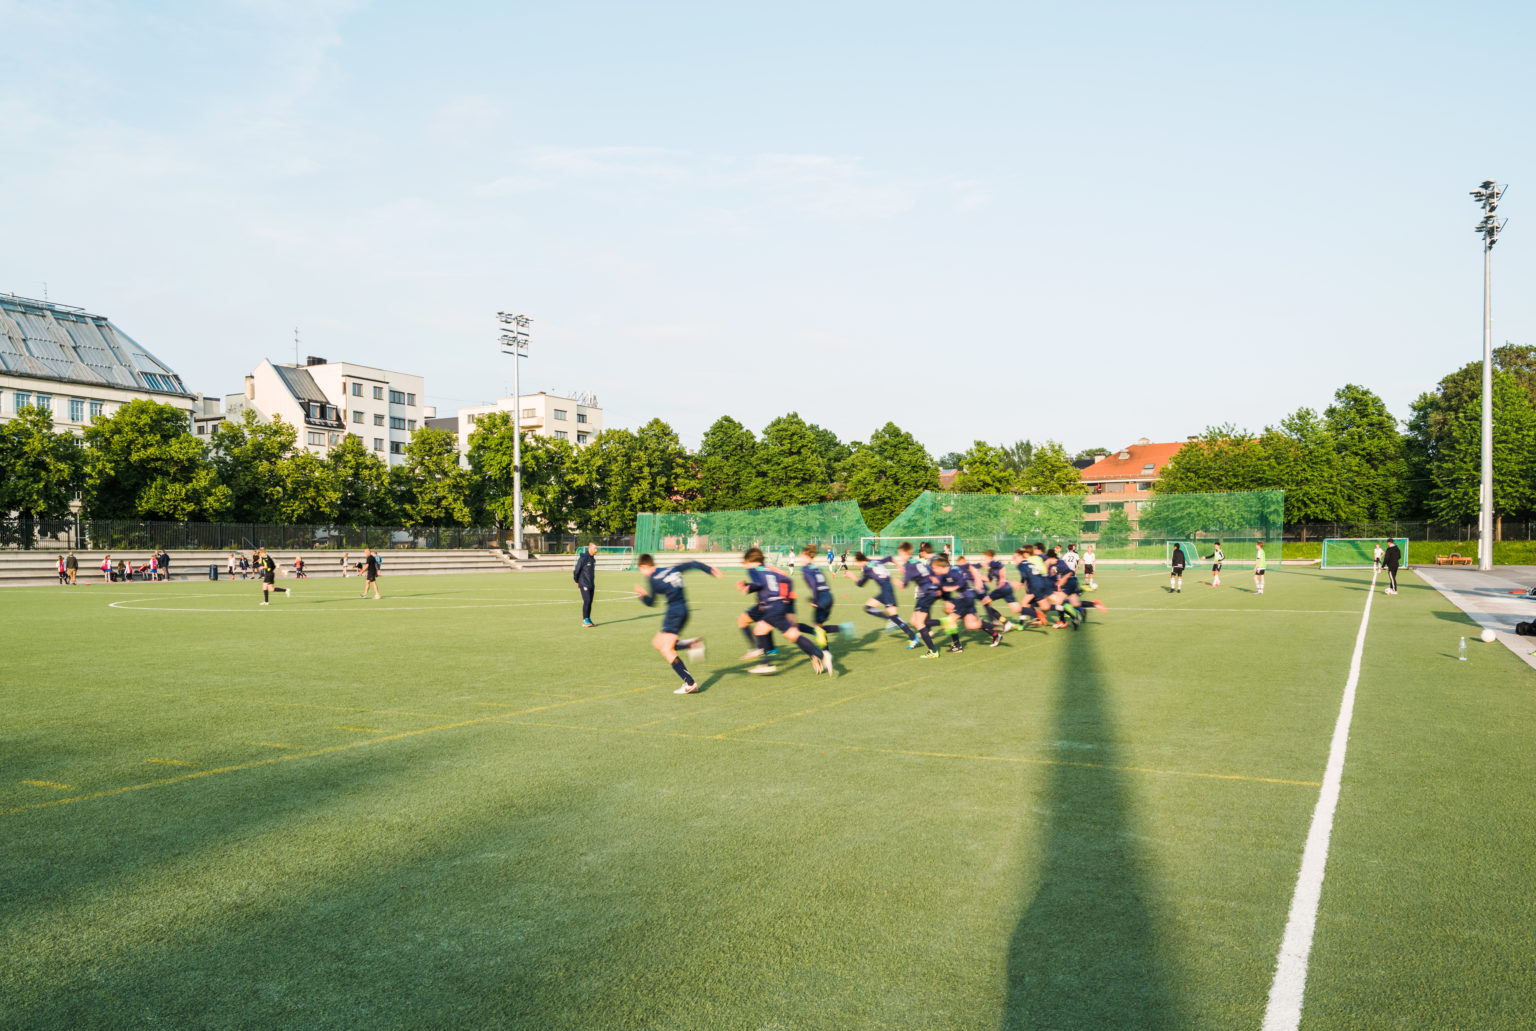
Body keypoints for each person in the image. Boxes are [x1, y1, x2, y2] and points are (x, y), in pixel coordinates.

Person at [634, 553, 720, 694]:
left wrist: (642, 595)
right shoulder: (671, 569)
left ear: (644, 566)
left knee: (667, 650)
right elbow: (692, 563)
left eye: (641, 569)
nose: (642, 572)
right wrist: (709, 569)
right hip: (684, 609)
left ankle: (690, 683)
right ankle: (691, 644)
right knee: (658, 643)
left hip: (674, 613)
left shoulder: (652, 578)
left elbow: (651, 602)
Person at [740, 547, 833, 676]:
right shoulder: (768, 569)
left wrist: (748, 588)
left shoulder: (754, 570)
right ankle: (766, 660)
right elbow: (787, 580)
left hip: (774, 605)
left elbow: (759, 584)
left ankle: (819, 654)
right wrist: (783, 597)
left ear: (750, 561)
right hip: (781, 603)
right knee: (764, 630)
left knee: (792, 633)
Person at [848, 552, 920, 646]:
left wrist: (852, 576)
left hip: (886, 589)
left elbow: (861, 584)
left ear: (859, 561)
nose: (856, 564)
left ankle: (913, 637)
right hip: (885, 589)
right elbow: (890, 557)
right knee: (868, 607)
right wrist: (899, 566)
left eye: (856, 562)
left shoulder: (866, 568)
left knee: (894, 616)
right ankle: (889, 619)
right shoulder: (875, 561)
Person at [798, 545, 856, 647]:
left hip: (821, 598)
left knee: (818, 629)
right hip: (828, 596)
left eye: (801, 554)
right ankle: (842, 630)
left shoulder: (805, 569)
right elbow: (825, 583)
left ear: (806, 555)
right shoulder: (817, 568)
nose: (800, 556)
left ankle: (826, 653)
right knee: (819, 628)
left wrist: (815, 600)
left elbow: (813, 584)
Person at [573, 542, 598, 627]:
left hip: (591, 584)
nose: (596, 550)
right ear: (590, 549)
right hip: (584, 583)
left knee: (590, 602)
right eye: (595, 548)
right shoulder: (583, 558)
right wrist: (576, 580)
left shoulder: (593, 559)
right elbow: (576, 570)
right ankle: (585, 620)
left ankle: (588, 619)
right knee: (586, 601)